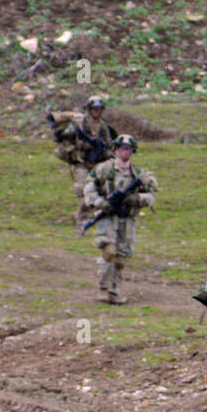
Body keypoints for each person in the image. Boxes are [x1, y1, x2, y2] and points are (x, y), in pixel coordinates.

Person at [83, 134, 157, 305]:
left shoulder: (138, 174)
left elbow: (151, 195)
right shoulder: (104, 169)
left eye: (129, 149)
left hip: (127, 220)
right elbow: (89, 189)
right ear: (116, 150)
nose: (126, 152)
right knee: (109, 252)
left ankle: (115, 291)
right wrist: (100, 202)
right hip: (108, 217)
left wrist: (136, 199)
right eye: (123, 148)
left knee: (121, 258)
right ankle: (103, 289)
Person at [50, 96, 116, 227]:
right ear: (89, 109)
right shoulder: (79, 124)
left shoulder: (103, 127)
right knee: (82, 190)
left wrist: (106, 152)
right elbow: (62, 137)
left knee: (101, 190)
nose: (97, 112)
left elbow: (109, 145)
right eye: (94, 109)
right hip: (82, 161)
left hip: (97, 163)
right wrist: (73, 149)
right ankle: (81, 218)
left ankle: (94, 215)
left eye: (99, 109)